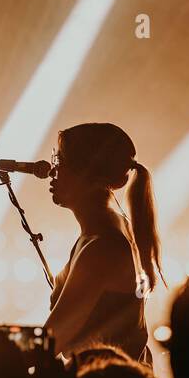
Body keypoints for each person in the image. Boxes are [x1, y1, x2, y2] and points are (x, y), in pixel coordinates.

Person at [43, 122, 161, 362]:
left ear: (87, 172)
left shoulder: (102, 246)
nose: (51, 170)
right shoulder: (112, 229)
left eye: (60, 161)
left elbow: (51, 340)